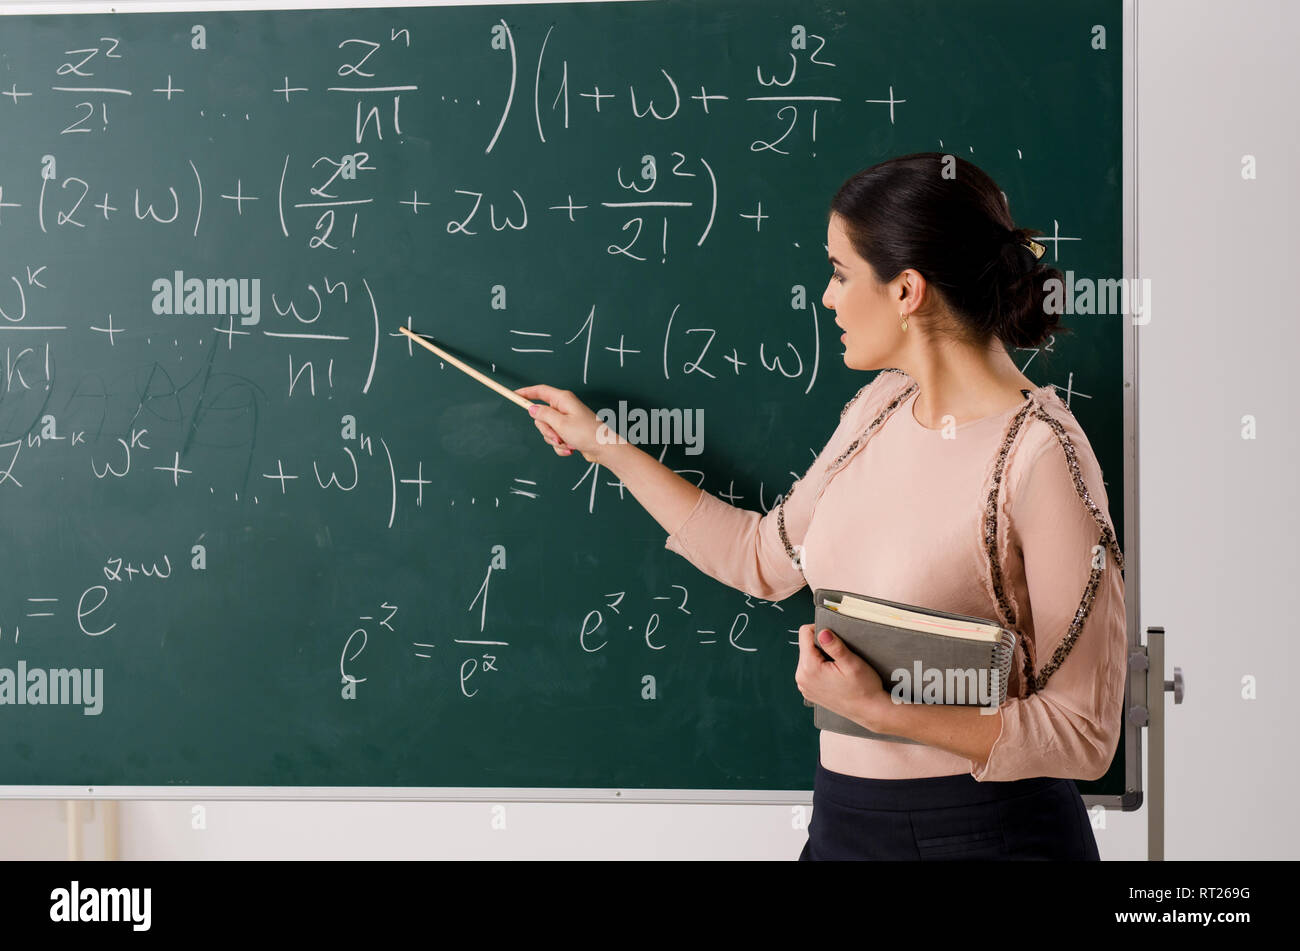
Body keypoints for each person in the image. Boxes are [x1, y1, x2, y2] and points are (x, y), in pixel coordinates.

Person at [516, 153, 1125, 861]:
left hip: (989, 832)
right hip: (843, 824)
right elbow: (761, 560)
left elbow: (1085, 733)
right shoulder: (878, 408)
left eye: (839, 272)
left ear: (906, 290)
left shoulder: (1042, 454)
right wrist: (606, 444)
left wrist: (882, 710)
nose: (827, 298)